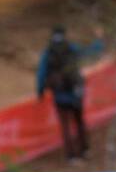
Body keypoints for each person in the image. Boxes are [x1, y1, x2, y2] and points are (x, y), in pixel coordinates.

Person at [36, 26, 103, 161]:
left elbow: (41, 74)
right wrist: (99, 40)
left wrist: (40, 91)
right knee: (79, 122)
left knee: (65, 126)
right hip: (75, 93)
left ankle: (71, 155)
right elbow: (89, 52)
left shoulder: (48, 52)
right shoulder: (71, 48)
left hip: (60, 95)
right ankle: (84, 150)